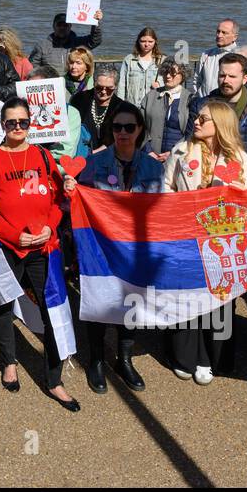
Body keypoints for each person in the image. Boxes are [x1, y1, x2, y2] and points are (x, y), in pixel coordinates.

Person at [0, 99, 79, 411]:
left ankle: (54, 380)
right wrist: (12, 235)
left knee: (53, 311)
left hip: (42, 246)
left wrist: (51, 227)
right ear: (3, 124)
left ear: (30, 124)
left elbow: (56, 199)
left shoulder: (41, 154)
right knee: (2, 304)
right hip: (5, 246)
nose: (18, 128)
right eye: (12, 123)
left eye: (23, 122)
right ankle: (9, 362)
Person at [66, 105, 165, 392]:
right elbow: (76, 202)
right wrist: (71, 190)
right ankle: (96, 360)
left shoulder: (153, 167)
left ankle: (124, 359)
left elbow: (159, 208)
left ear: (139, 131)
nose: (123, 133)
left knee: (130, 303)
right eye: (117, 128)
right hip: (100, 247)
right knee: (99, 302)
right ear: (111, 131)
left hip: (135, 247)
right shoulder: (93, 164)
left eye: (129, 127)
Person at [161, 100, 247, 383]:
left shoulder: (240, 160)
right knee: (186, 295)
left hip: (221, 240)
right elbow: (165, 188)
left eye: (203, 119)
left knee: (219, 295)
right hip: (186, 236)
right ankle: (184, 355)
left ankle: (210, 357)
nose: (197, 122)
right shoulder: (180, 152)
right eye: (197, 118)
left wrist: (240, 193)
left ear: (221, 125)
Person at [187, 51, 247, 174]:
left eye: (232, 77)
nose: (226, 80)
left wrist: (246, 180)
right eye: (222, 75)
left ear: (245, 78)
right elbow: (189, 142)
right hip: (203, 171)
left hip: (240, 174)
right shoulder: (200, 105)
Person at [72, 63, 139, 153]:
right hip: (81, 155)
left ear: (115, 87)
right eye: (99, 88)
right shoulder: (79, 100)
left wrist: (95, 153)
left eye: (109, 88)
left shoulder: (122, 108)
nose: (104, 92)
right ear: (94, 83)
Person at [143, 59, 192, 160]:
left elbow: (191, 133)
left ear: (183, 75)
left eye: (173, 73)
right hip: (150, 157)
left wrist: (174, 153)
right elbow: (139, 125)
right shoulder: (151, 96)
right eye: (165, 72)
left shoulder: (190, 99)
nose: (168, 76)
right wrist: (148, 151)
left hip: (179, 158)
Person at [28, 11, 103, 73]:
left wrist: (96, 22)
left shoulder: (78, 42)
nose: (62, 27)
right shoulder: (42, 46)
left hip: (73, 84)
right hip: (51, 85)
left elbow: (95, 40)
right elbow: (32, 67)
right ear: (53, 26)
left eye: (65, 25)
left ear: (70, 26)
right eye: (59, 25)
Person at [117, 27, 163, 107]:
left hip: (153, 105)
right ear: (138, 41)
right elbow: (122, 84)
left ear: (155, 42)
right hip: (132, 105)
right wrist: (119, 104)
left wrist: (159, 83)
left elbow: (169, 80)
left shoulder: (161, 60)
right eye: (143, 41)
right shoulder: (129, 59)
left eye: (150, 41)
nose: (146, 44)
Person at [194, 18, 239, 98]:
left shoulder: (240, 55)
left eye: (224, 33)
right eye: (218, 31)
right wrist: (197, 100)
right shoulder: (206, 54)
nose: (219, 35)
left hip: (226, 106)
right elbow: (197, 80)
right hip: (204, 104)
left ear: (235, 37)